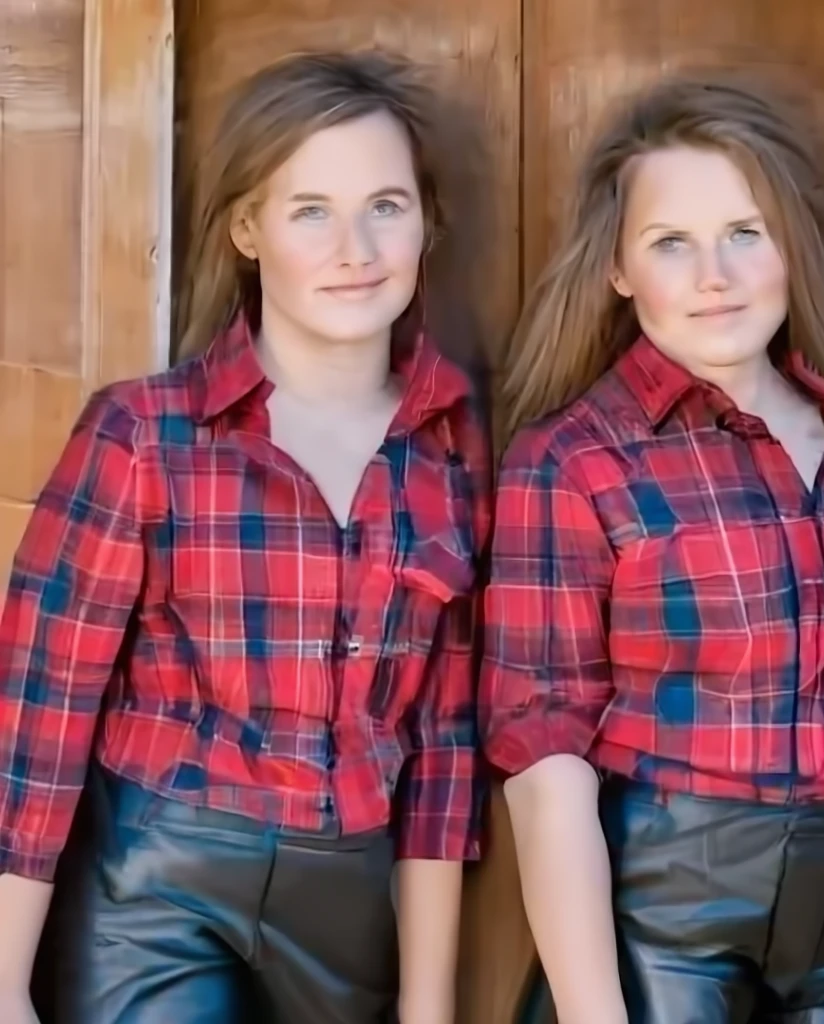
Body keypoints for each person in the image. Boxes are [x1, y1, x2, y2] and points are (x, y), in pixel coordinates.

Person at [480, 78, 824, 1024]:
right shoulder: (571, 461)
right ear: (618, 269)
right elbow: (545, 768)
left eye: (745, 231)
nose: (714, 275)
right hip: (663, 947)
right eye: (670, 244)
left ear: (791, 242)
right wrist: (594, 1015)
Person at [0, 50, 490, 1024]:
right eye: (311, 209)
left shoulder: (452, 447)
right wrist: (4, 980)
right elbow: (37, 716)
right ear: (247, 227)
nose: (355, 245)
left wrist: (428, 1006)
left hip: (350, 906)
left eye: (385, 206)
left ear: (425, 223)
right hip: (160, 886)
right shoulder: (144, 434)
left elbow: (445, 747)